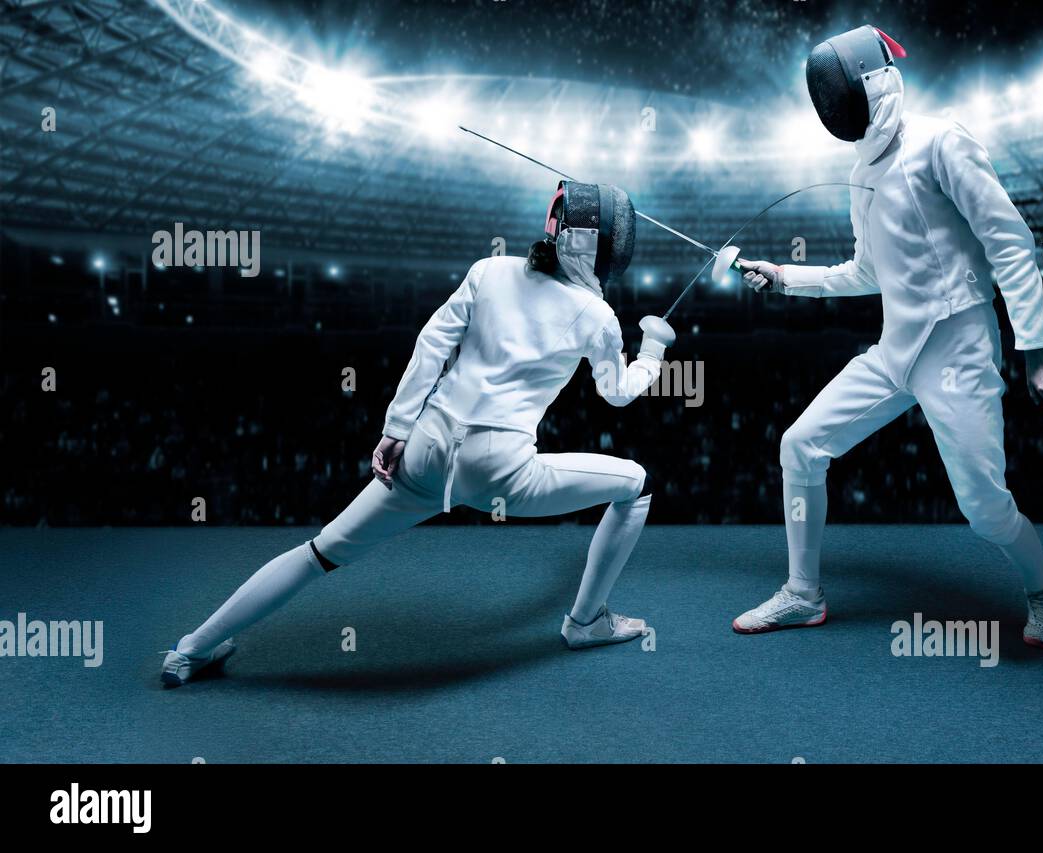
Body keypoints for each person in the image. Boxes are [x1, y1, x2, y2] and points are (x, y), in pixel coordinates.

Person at [162, 181, 676, 685]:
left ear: (556, 227)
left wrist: (396, 427)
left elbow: (431, 346)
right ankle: (585, 623)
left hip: (425, 450)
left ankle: (191, 650)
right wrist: (652, 350)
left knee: (319, 552)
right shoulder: (599, 317)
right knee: (636, 483)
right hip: (503, 470)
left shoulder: (490, 271)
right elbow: (618, 393)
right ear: (604, 249)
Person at [732, 25, 1043, 647]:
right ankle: (803, 595)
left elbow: (1009, 240)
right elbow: (866, 271)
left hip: (960, 347)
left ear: (873, 83)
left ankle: (1041, 589)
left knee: (985, 510)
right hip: (897, 350)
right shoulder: (861, 172)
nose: (833, 107)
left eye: (839, 92)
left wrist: (1038, 347)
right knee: (800, 445)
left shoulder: (941, 140)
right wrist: (784, 276)